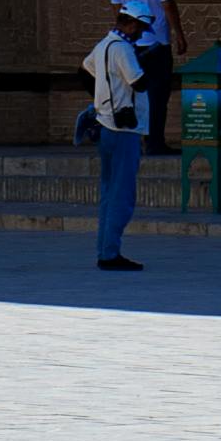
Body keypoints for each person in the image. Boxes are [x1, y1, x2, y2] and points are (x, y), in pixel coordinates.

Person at [109, 0, 187, 158]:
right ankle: (154, 141)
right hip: (156, 41)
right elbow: (168, 4)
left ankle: (136, 140)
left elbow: (117, 6)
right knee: (158, 94)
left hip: (132, 43)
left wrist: (124, 32)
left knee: (134, 93)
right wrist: (179, 34)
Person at [85, 20, 147, 271]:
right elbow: (138, 82)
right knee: (122, 194)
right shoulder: (123, 48)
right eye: (140, 29)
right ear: (131, 25)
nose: (141, 34)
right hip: (124, 130)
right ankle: (110, 254)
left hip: (106, 125)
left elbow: (85, 69)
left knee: (109, 193)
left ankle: (105, 250)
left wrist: (102, 101)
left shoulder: (104, 45)